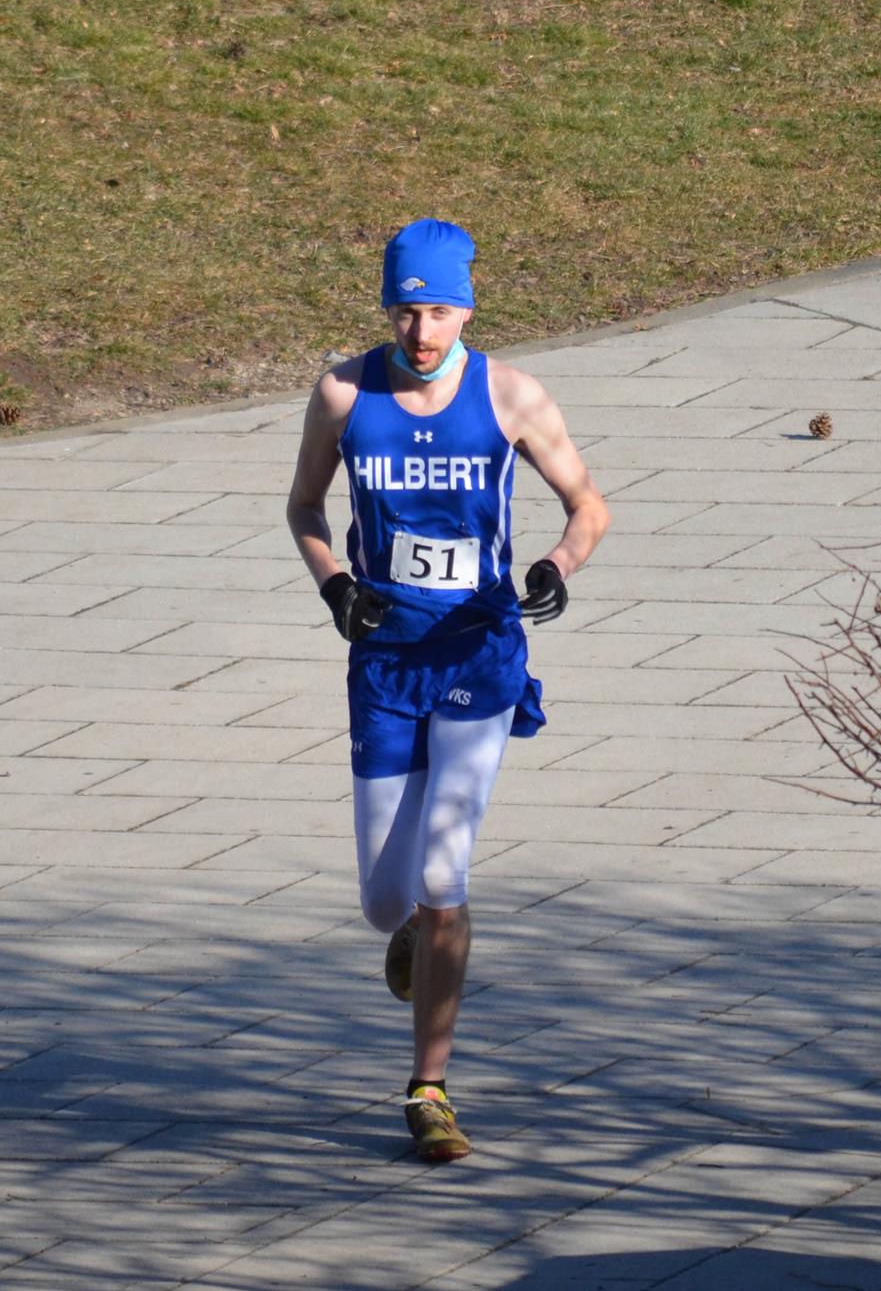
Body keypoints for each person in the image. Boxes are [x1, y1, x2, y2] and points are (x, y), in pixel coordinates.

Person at [285, 218, 610, 1162]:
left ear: (468, 304)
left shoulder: (510, 395)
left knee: (443, 876)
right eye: (406, 308)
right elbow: (304, 505)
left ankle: (429, 1087)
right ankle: (413, 939)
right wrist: (336, 585)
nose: (422, 331)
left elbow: (589, 504)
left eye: (437, 308)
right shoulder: (345, 394)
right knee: (387, 901)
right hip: (385, 665)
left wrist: (557, 565)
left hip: (479, 656)